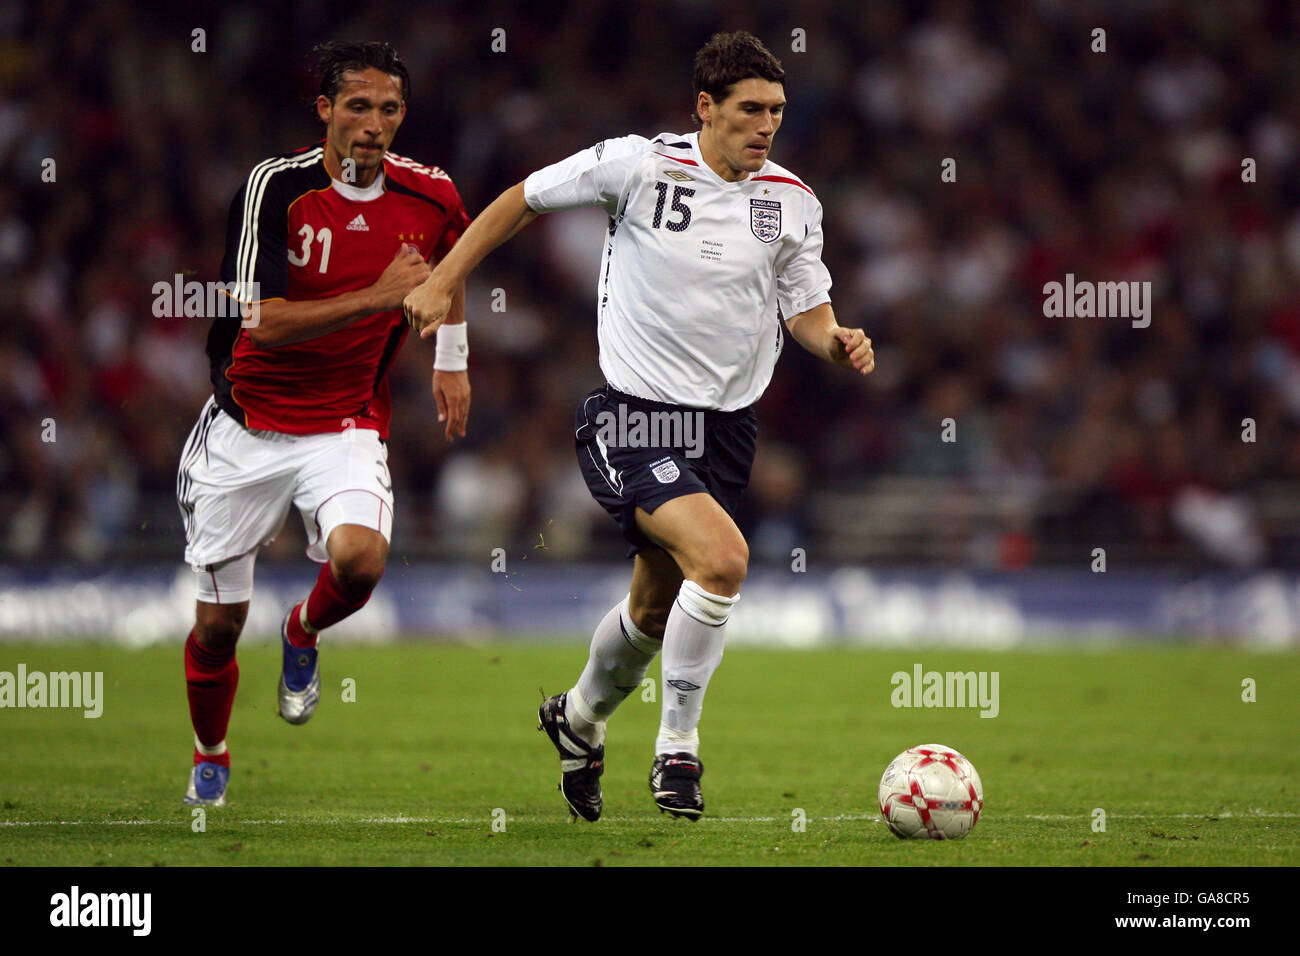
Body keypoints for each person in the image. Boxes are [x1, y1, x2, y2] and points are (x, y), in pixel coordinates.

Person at [403, 31, 874, 820]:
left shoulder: (792, 202)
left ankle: (578, 719)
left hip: (726, 429)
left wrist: (836, 340)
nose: (765, 126)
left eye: (777, 112)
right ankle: (677, 751)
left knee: (655, 612)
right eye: (750, 110)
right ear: (705, 108)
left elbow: (807, 309)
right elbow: (521, 197)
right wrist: (444, 279)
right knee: (723, 561)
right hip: (633, 416)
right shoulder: (638, 165)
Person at [177, 41, 472, 806]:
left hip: (344, 424)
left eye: (390, 109)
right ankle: (212, 752)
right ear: (326, 112)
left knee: (361, 561)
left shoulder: (431, 195)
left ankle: (302, 632)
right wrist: (379, 297)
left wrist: (451, 358)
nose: (374, 124)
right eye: (358, 107)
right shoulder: (275, 188)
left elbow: (455, 261)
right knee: (217, 628)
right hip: (246, 427)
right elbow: (258, 324)